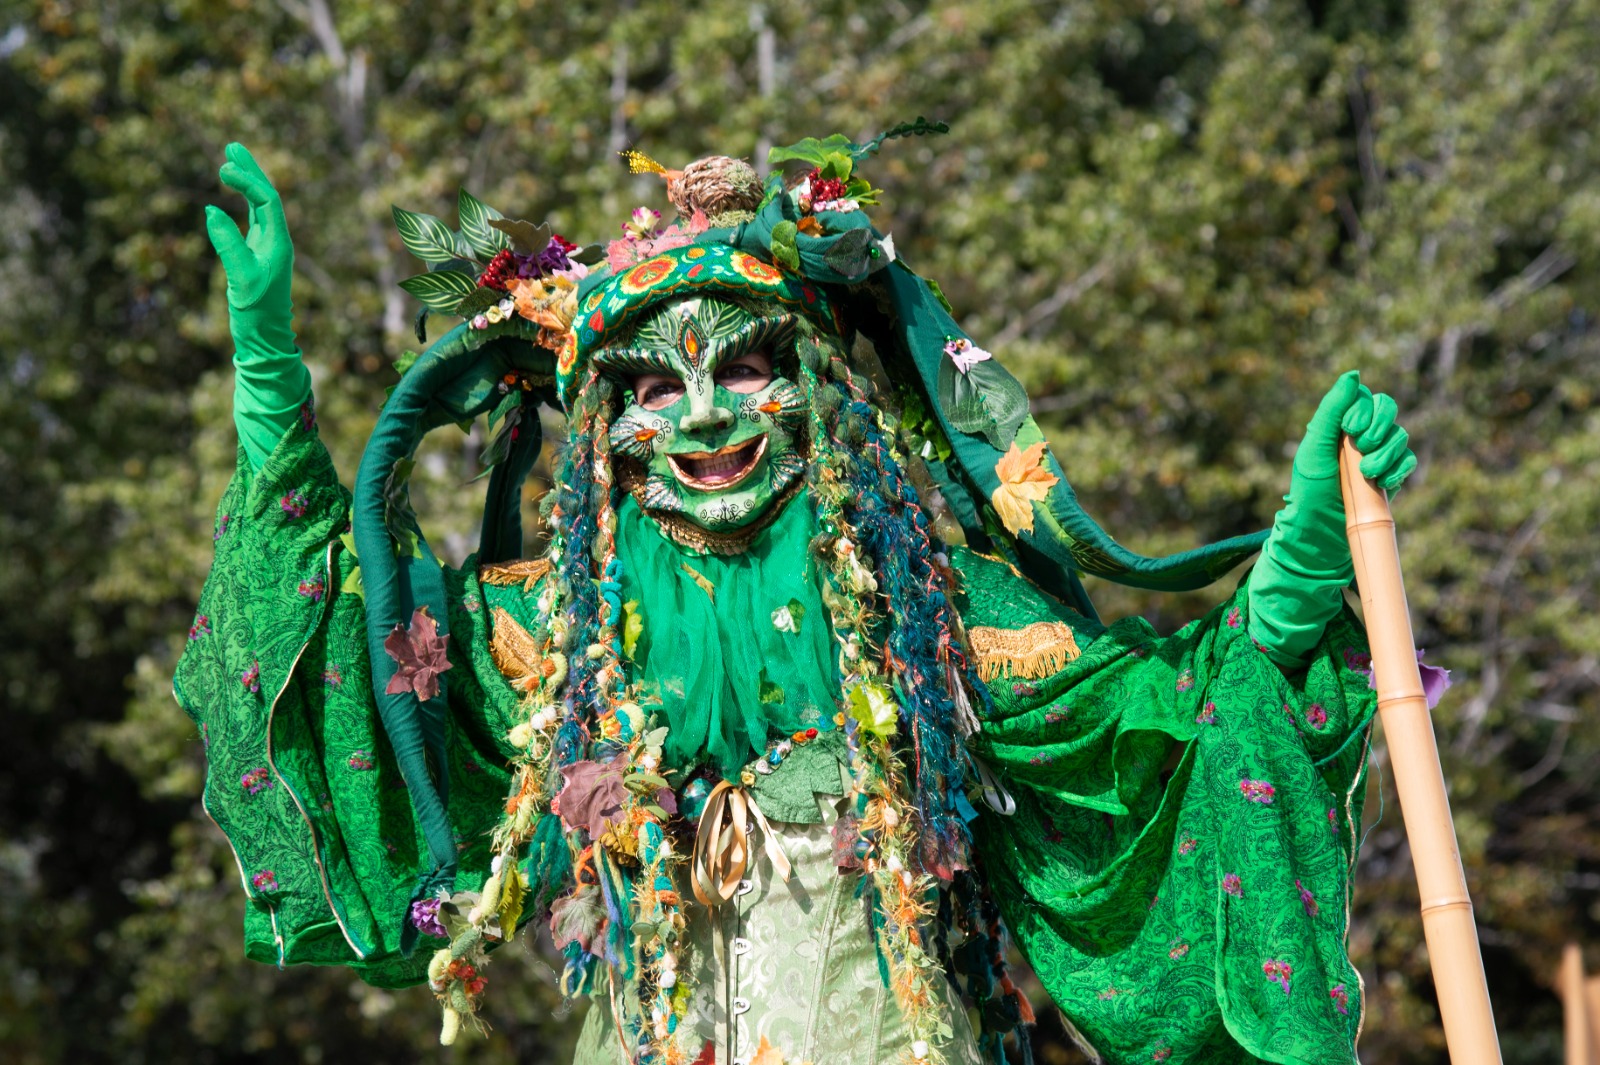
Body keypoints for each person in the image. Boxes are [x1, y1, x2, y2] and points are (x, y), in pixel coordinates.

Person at [178, 131, 1415, 1065]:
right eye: (657, 389)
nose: (706, 416)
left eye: (748, 366)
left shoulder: (918, 608)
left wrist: (1304, 554)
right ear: (604, 432)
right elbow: (328, 637)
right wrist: (268, 369)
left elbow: (1163, 727)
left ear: (815, 389)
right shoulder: (546, 628)